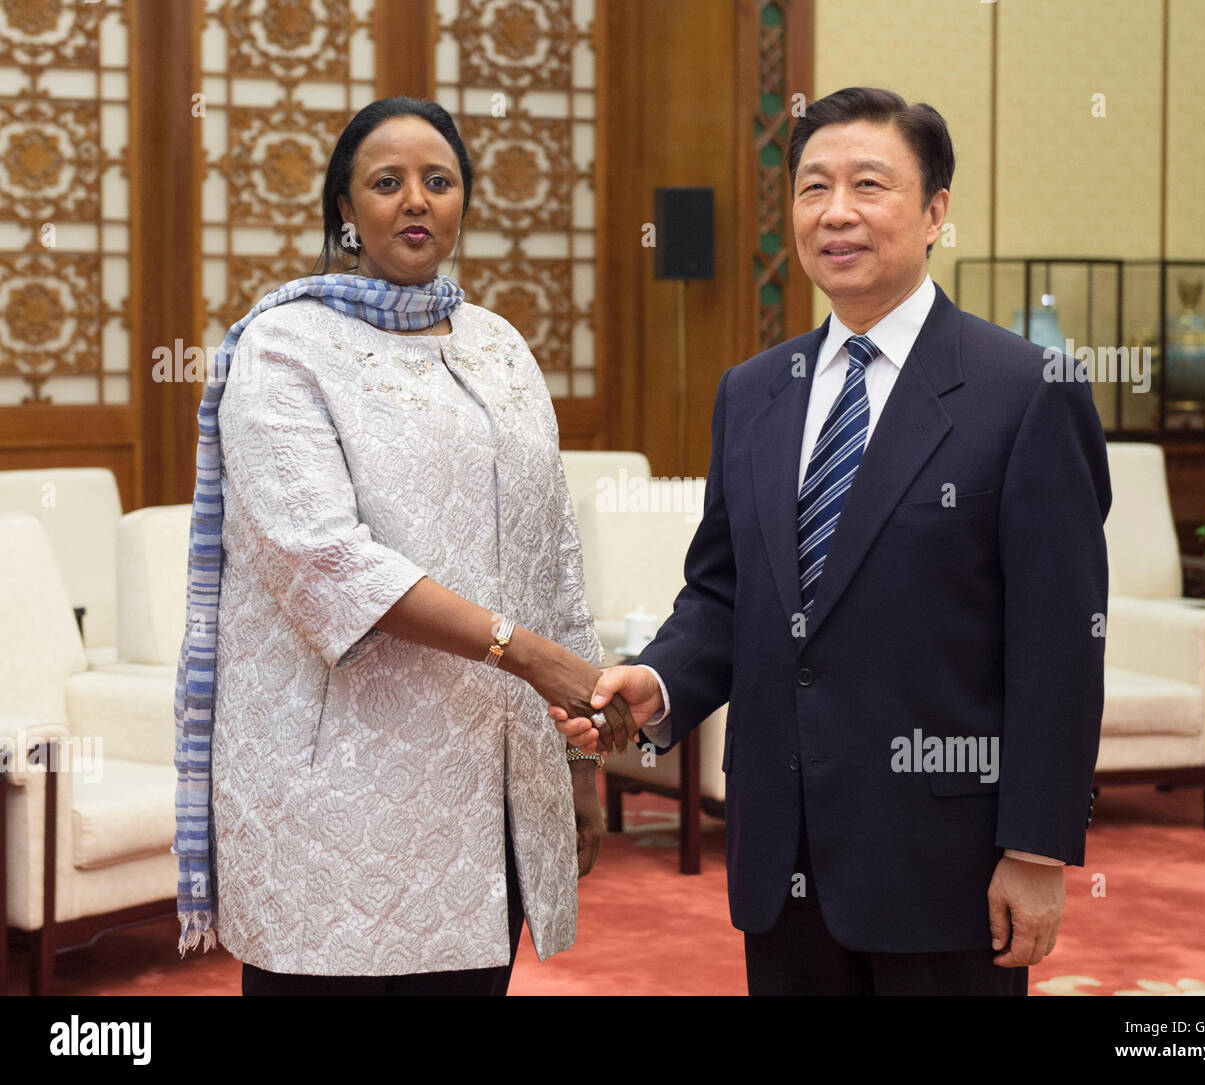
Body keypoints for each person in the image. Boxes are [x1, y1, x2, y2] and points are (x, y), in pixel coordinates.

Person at [553, 86, 1111, 995]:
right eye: (814, 188)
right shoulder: (754, 390)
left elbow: (1059, 642)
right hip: (785, 854)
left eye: (869, 185)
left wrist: (1039, 847)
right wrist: (655, 682)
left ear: (934, 213)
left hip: (946, 863)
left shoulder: (1026, 390)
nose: (837, 213)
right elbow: (727, 592)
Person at [173, 97, 632, 995]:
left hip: (488, 797)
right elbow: (325, 561)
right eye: (386, 183)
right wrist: (530, 658)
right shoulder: (281, 347)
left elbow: (553, 560)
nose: (415, 199)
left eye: (439, 181)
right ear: (345, 211)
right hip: (335, 802)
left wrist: (573, 761)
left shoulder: (499, 346)